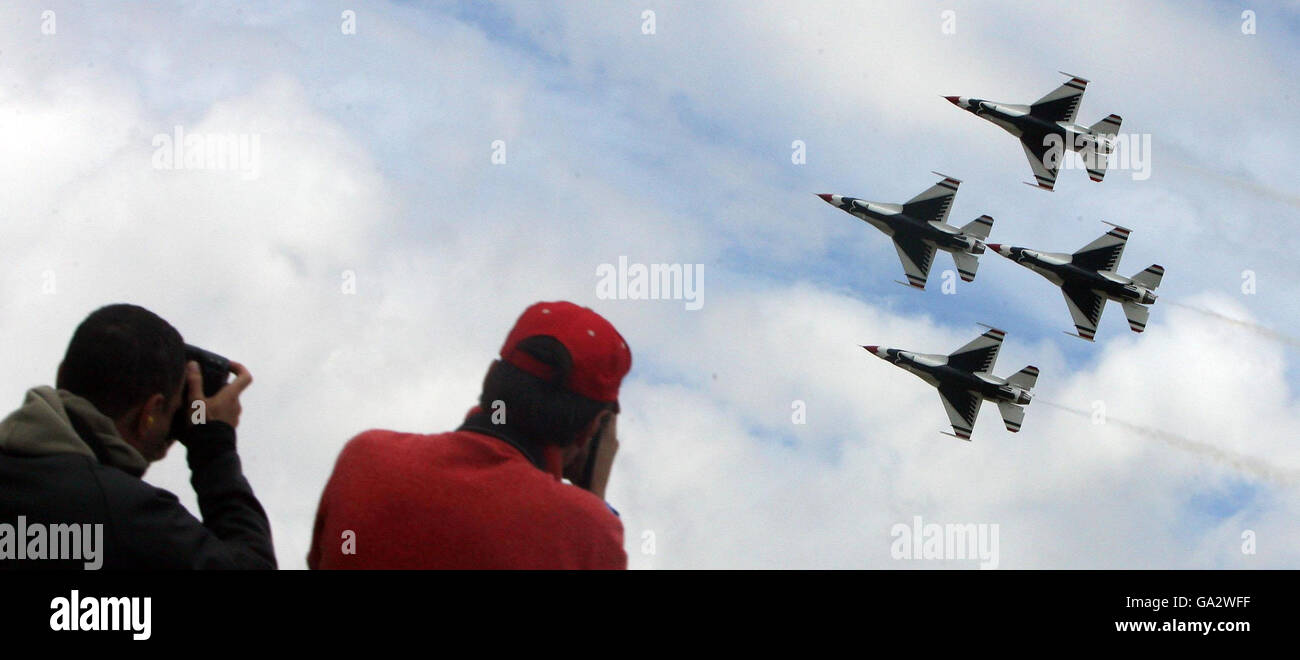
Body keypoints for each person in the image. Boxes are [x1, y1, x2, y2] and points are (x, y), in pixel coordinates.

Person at [309, 301, 632, 569]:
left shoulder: (366, 457)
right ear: (595, 426)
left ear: (491, 375)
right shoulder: (587, 532)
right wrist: (593, 502)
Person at [0, 304, 275, 569]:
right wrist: (210, 439)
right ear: (149, 415)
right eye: (174, 408)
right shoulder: (124, 515)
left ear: (62, 374)